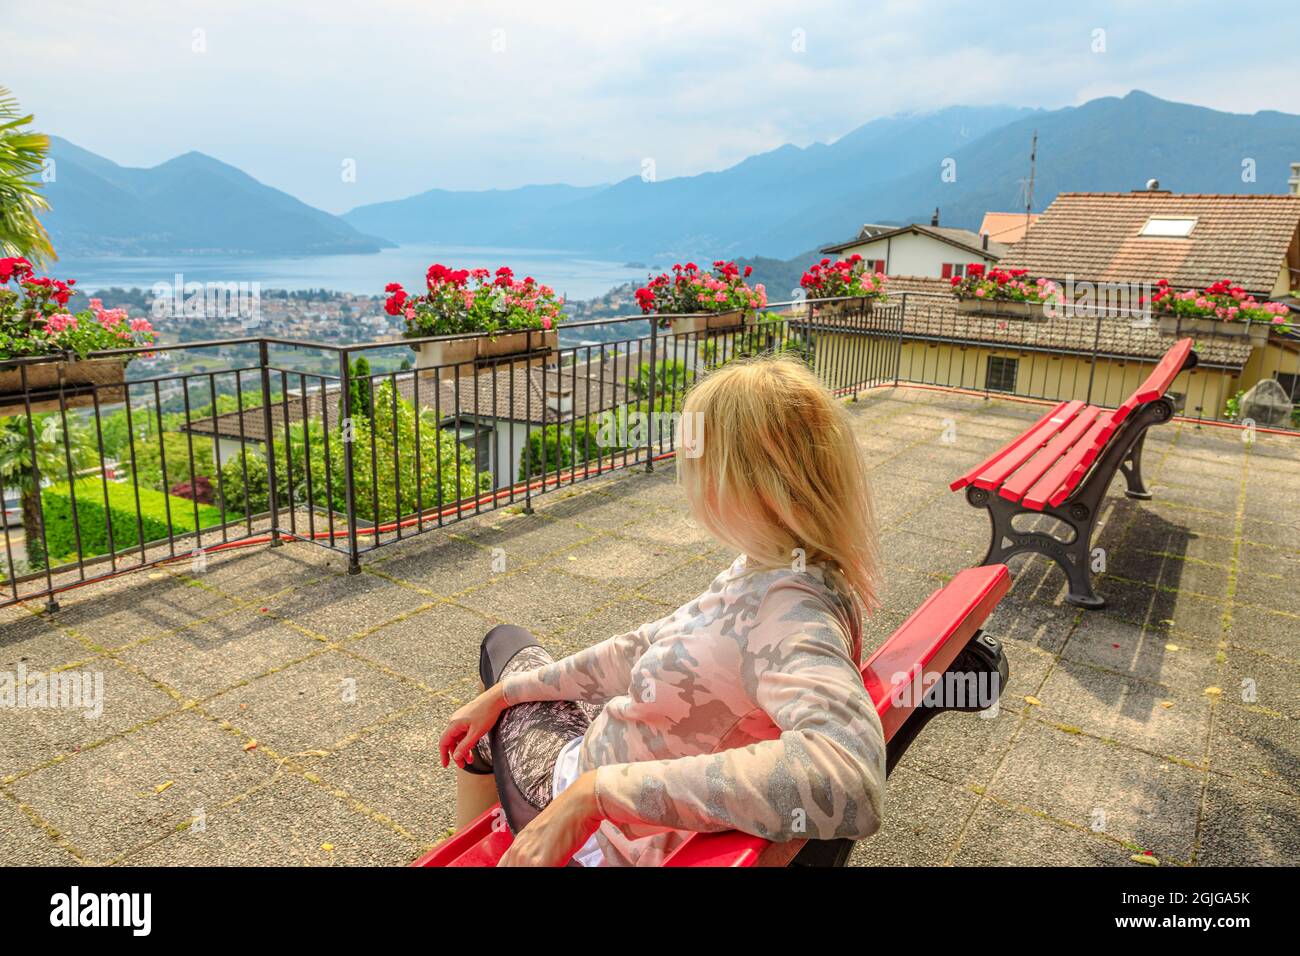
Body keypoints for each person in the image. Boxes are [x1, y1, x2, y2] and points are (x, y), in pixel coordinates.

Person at [438, 355, 887, 866]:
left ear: (739, 479)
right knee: (506, 684)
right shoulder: (784, 569)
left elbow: (847, 776)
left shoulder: (787, 615)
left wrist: (596, 793)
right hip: (622, 764)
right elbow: (645, 644)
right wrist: (504, 693)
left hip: (598, 815)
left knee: (501, 644)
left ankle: (472, 848)